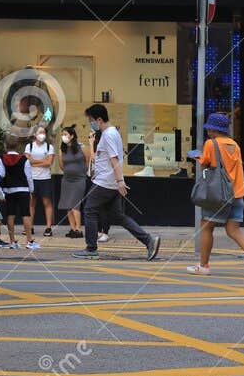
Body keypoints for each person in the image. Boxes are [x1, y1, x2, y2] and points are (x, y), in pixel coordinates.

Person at [74, 104, 160, 261]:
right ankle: (149, 241)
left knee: (89, 210)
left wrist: (120, 181)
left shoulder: (108, 135)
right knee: (119, 216)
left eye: (91, 121)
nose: (90, 124)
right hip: (110, 182)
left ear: (99, 120)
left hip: (105, 183)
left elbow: (114, 159)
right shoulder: (111, 133)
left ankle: (91, 248)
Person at [188, 112, 244, 277]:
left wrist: (197, 157)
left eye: (209, 129)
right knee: (233, 229)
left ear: (212, 130)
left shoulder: (211, 143)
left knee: (206, 227)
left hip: (219, 194)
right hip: (237, 193)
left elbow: (206, 163)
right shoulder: (234, 145)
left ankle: (203, 266)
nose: (208, 132)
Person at [0, 136, 36, 249]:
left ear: (5, 146)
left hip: (8, 190)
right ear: (18, 146)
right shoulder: (24, 159)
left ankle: (12, 241)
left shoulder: (1, 158)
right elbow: (29, 176)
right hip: (23, 190)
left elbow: (1, 174)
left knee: (10, 215)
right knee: (26, 214)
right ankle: (29, 241)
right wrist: (31, 190)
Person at [26, 124, 58, 235]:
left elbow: (49, 163)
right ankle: (30, 227)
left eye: (43, 133)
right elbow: (27, 161)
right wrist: (42, 161)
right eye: (39, 132)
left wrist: (34, 161)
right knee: (31, 203)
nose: (42, 135)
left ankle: (48, 227)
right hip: (32, 178)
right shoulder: (29, 146)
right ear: (35, 134)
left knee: (47, 203)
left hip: (45, 178)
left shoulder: (49, 147)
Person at [58, 125, 88, 238]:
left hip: (79, 180)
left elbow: (87, 160)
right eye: (62, 135)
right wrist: (69, 171)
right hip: (67, 180)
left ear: (72, 136)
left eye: (65, 134)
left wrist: (82, 172)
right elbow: (61, 165)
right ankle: (72, 228)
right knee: (68, 205)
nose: (63, 137)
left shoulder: (82, 147)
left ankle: (78, 229)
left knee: (75, 204)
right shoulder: (62, 149)